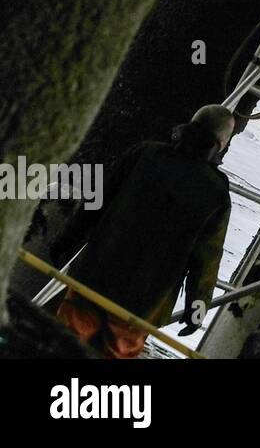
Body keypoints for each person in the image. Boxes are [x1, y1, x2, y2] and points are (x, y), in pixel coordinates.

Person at [50, 104, 234, 358]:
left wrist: (65, 241)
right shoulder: (216, 193)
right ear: (222, 143)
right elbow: (206, 258)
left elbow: (96, 204)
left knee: (61, 346)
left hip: (94, 277)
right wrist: (197, 306)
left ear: (189, 125)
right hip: (144, 302)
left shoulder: (145, 154)